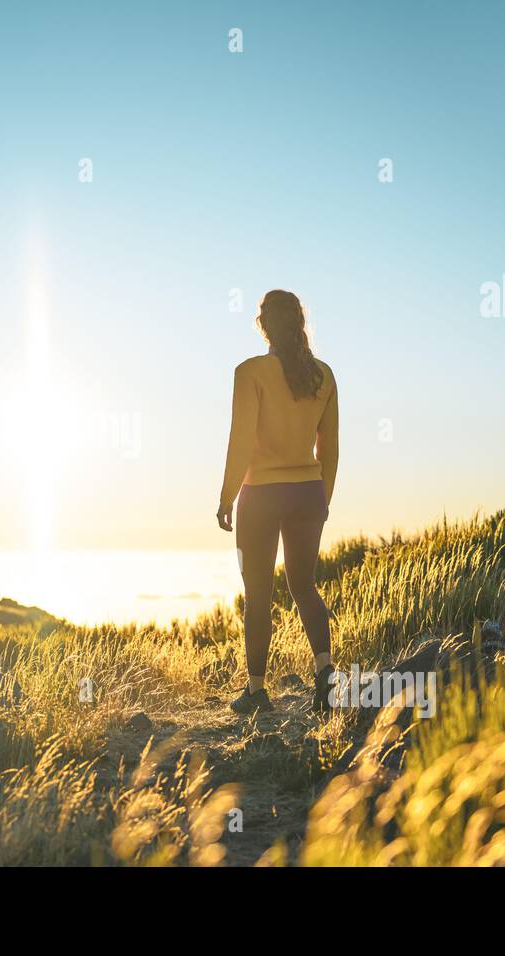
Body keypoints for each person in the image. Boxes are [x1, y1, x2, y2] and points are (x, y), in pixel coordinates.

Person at [217, 290, 338, 715]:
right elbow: (330, 451)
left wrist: (226, 495)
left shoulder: (250, 372)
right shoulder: (323, 376)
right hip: (307, 493)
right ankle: (325, 673)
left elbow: (241, 440)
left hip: (261, 495)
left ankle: (256, 691)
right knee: (304, 586)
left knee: (258, 595)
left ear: (263, 325)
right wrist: (322, 499)